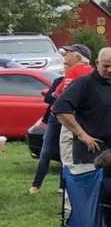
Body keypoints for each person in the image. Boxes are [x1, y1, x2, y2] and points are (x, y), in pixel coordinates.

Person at [29, 43, 94, 193]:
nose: (65, 57)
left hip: (70, 119)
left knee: (67, 153)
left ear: (78, 57)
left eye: (68, 54)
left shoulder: (83, 73)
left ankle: (63, 186)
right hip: (56, 117)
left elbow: (63, 97)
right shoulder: (61, 79)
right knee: (48, 151)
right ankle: (37, 185)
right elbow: (53, 96)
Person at [52, 47, 111, 172]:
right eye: (106, 66)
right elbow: (60, 109)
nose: (110, 70)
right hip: (90, 156)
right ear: (97, 63)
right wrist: (82, 135)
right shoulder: (84, 83)